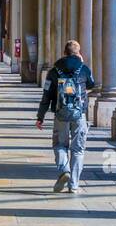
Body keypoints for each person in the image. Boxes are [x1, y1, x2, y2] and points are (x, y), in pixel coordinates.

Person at [35, 40, 95, 194]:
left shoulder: (54, 71)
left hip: (60, 113)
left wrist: (40, 116)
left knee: (59, 145)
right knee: (78, 149)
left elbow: (46, 95)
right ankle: (74, 185)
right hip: (79, 113)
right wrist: (81, 63)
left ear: (64, 52)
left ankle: (64, 170)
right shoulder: (84, 69)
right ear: (78, 52)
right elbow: (91, 85)